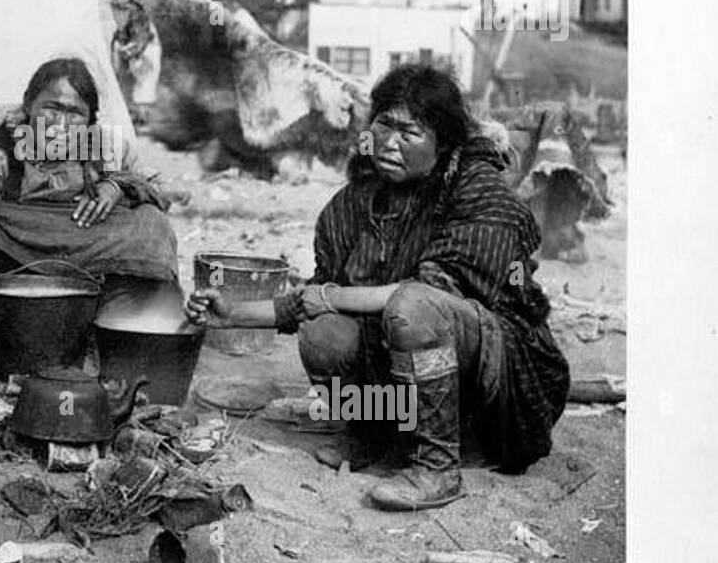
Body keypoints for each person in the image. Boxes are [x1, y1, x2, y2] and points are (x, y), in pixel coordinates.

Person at [187, 64, 570, 511]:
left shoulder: (481, 193)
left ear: (443, 142)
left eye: (410, 132)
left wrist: (329, 297)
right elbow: (313, 300)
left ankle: (436, 466)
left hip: (499, 397)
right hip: (412, 385)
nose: (390, 141)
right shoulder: (351, 207)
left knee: (412, 307)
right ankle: (374, 432)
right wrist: (232, 313)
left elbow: (429, 293)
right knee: (325, 333)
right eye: (384, 124)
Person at [0, 58, 184, 305]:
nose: (61, 124)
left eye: (74, 114)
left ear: (89, 121)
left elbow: (160, 187)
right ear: (28, 106)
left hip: (83, 250)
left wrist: (117, 186)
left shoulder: (105, 149)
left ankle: (122, 306)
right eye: (52, 108)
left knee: (151, 221)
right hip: (13, 254)